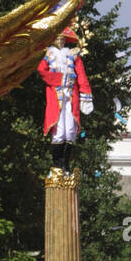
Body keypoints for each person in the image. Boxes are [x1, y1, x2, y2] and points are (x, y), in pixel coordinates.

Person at [38, 25, 93, 172]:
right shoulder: (47, 55)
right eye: (57, 38)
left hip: (71, 96)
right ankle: (57, 165)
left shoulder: (73, 55)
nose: (60, 41)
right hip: (55, 97)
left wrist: (86, 95)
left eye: (62, 38)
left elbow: (82, 77)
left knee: (70, 130)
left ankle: (66, 165)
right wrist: (59, 79)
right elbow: (42, 72)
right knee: (59, 131)